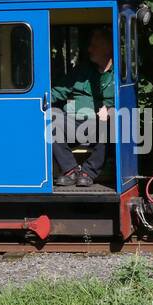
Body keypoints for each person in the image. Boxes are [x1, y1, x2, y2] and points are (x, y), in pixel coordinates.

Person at [51, 28, 115, 187]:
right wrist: (35, 101)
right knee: (50, 122)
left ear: (107, 47)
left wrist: (110, 107)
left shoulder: (118, 74)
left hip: (100, 124)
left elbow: (126, 97)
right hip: (74, 121)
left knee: (112, 125)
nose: (89, 49)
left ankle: (88, 172)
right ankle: (70, 170)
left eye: (94, 45)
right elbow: (59, 91)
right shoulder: (82, 70)